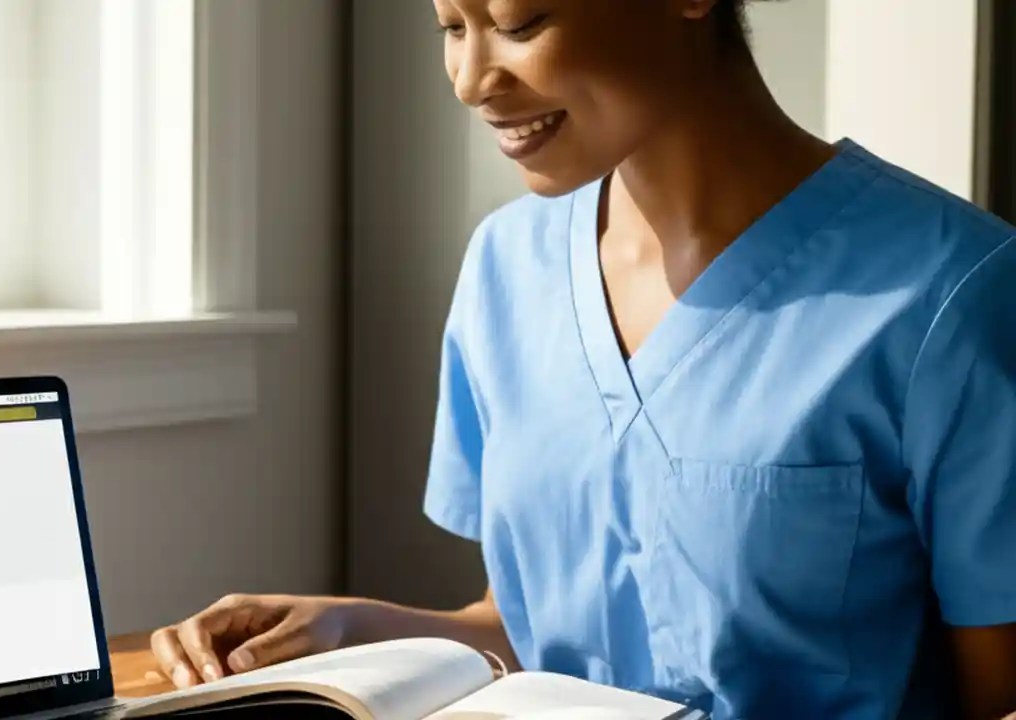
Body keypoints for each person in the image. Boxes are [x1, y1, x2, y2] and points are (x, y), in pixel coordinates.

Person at [151, 1, 1016, 717]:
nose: (469, 79)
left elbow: (998, 695)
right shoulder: (505, 268)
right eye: (451, 28)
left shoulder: (951, 292)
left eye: (520, 22)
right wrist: (345, 627)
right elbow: (531, 628)